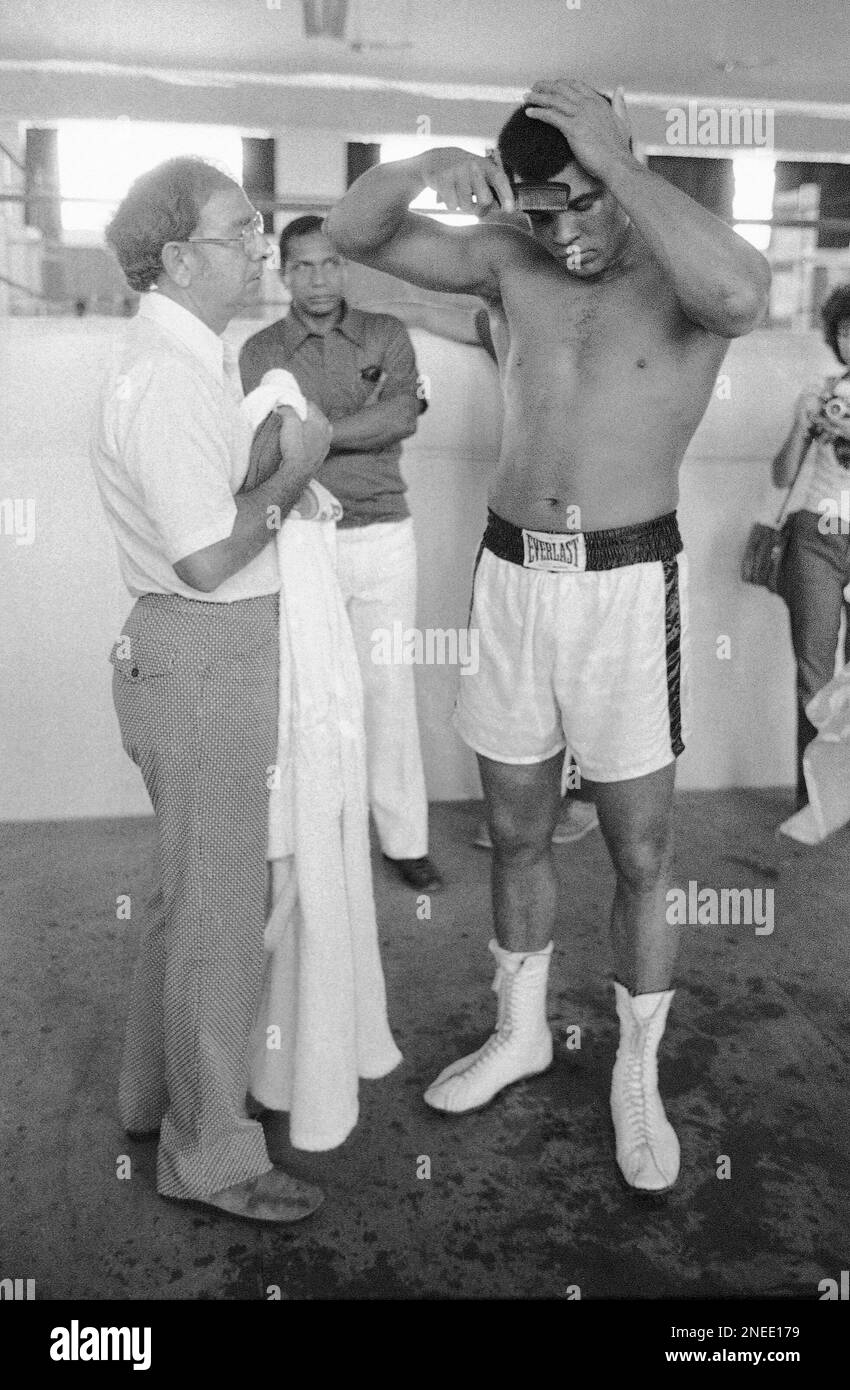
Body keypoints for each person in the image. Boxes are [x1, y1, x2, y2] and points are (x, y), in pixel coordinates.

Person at [327, 79, 770, 1192]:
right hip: (514, 576)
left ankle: (634, 1070)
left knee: (638, 851)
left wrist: (617, 163)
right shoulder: (507, 258)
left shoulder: (676, 270)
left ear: (619, 174)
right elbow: (352, 230)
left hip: (626, 589)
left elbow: (743, 294)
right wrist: (433, 167)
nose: (561, 233)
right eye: (541, 212)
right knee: (515, 832)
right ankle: (521, 1032)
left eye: (579, 203)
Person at [91, 156, 333, 1222]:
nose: (259, 251)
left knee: (181, 901)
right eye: (241, 233)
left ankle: (152, 1098)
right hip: (205, 648)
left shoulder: (186, 362)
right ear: (181, 257)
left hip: (188, 655)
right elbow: (205, 557)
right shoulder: (170, 378)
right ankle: (211, 1154)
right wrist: (297, 463)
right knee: (218, 917)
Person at [240, 217, 442, 893]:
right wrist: (354, 427)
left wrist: (316, 433)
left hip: (384, 535)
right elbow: (271, 446)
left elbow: (402, 418)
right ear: (283, 273)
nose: (318, 279)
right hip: (300, 540)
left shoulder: (386, 334)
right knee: (307, 692)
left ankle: (403, 839)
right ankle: (310, 836)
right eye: (303, 267)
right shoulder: (260, 350)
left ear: (346, 269)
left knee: (386, 690)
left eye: (330, 264)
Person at [394, 296, 600, 849]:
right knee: (525, 689)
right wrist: (375, 305)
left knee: (586, 683)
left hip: (609, 540)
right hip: (525, 539)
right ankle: (530, 811)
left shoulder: (624, 322)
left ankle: (581, 800)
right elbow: (441, 315)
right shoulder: (514, 320)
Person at [772, 284, 850, 808]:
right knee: (815, 677)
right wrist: (804, 426)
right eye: (846, 331)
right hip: (815, 541)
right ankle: (817, 799)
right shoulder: (820, 392)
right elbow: (781, 477)